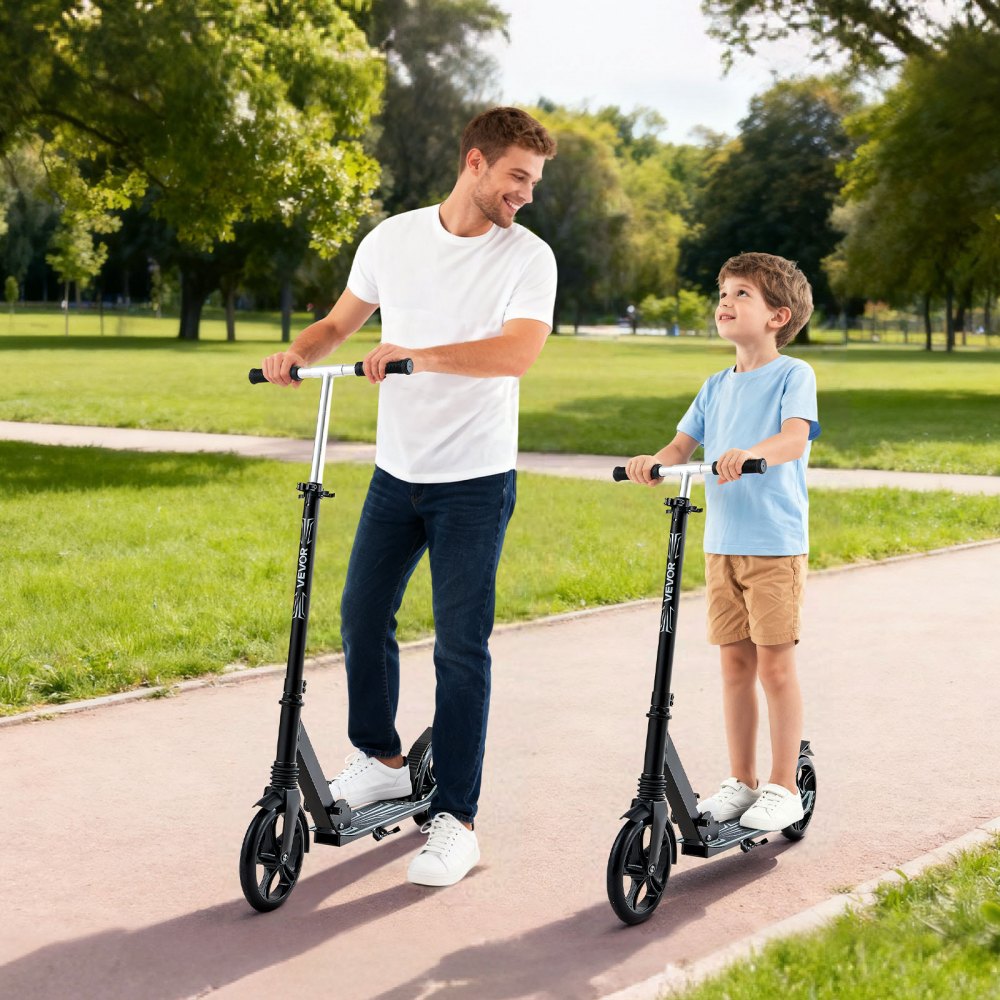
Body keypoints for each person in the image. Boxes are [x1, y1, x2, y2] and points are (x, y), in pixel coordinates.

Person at [260, 107, 557, 886]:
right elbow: (338, 323)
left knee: (462, 648)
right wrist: (297, 354)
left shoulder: (529, 258)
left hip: (476, 479)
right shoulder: (392, 239)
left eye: (533, 181)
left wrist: (418, 356)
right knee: (361, 615)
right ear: (474, 164)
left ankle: (457, 819)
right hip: (400, 471)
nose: (525, 194)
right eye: (517, 177)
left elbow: (517, 354)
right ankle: (386, 759)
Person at [623, 251, 820, 832]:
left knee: (775, 668)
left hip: (774, 546)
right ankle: (742, 780)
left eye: (741, 295)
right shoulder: (714, 387)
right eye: (724, 293)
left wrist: (751, 454)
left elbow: (793, 439)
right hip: (722, 544)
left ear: (778, 316)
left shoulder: (792, 375)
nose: (725, 303)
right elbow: (680, 448)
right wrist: (652, 464)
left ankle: (784, 786)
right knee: (735, 666)